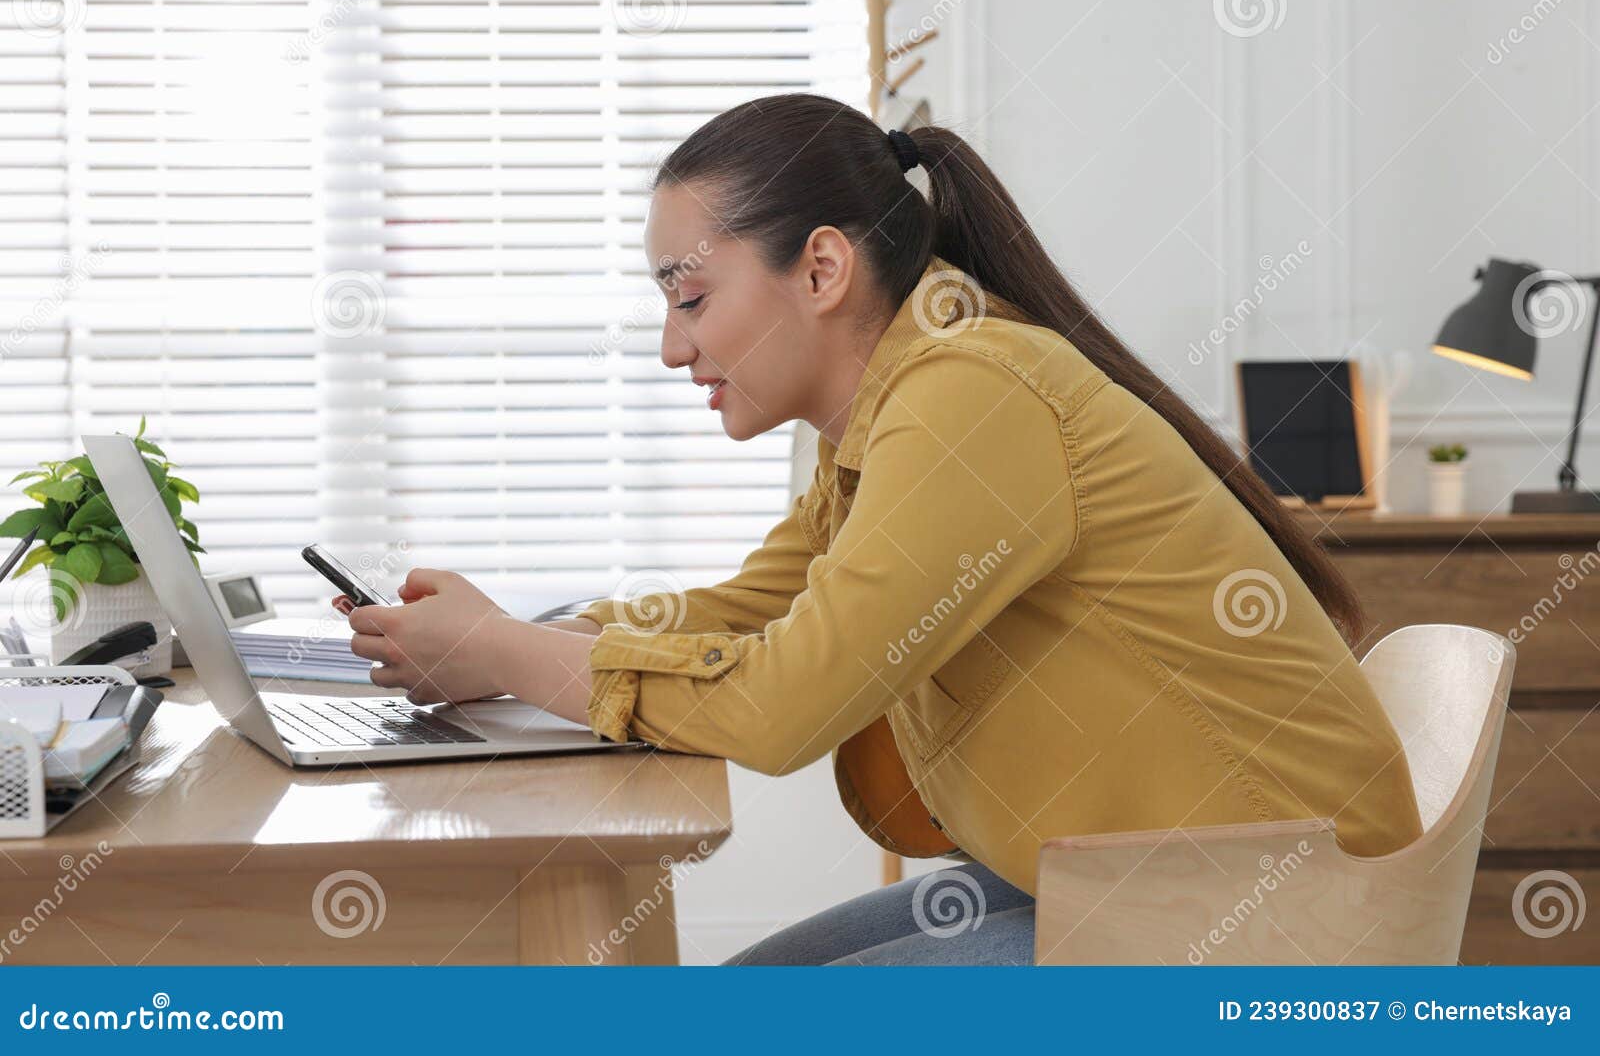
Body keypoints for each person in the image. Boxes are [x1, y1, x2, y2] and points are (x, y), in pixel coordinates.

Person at [337, 92, 1424, 966]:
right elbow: (749, 611)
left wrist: (508, 654)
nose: (673, 348)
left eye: (691, 298)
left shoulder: (972, 398)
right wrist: (520, 639)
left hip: (1257, 926)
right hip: (1112, 881)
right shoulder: (892, 401)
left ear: (819, 269)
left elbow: (779, 704)